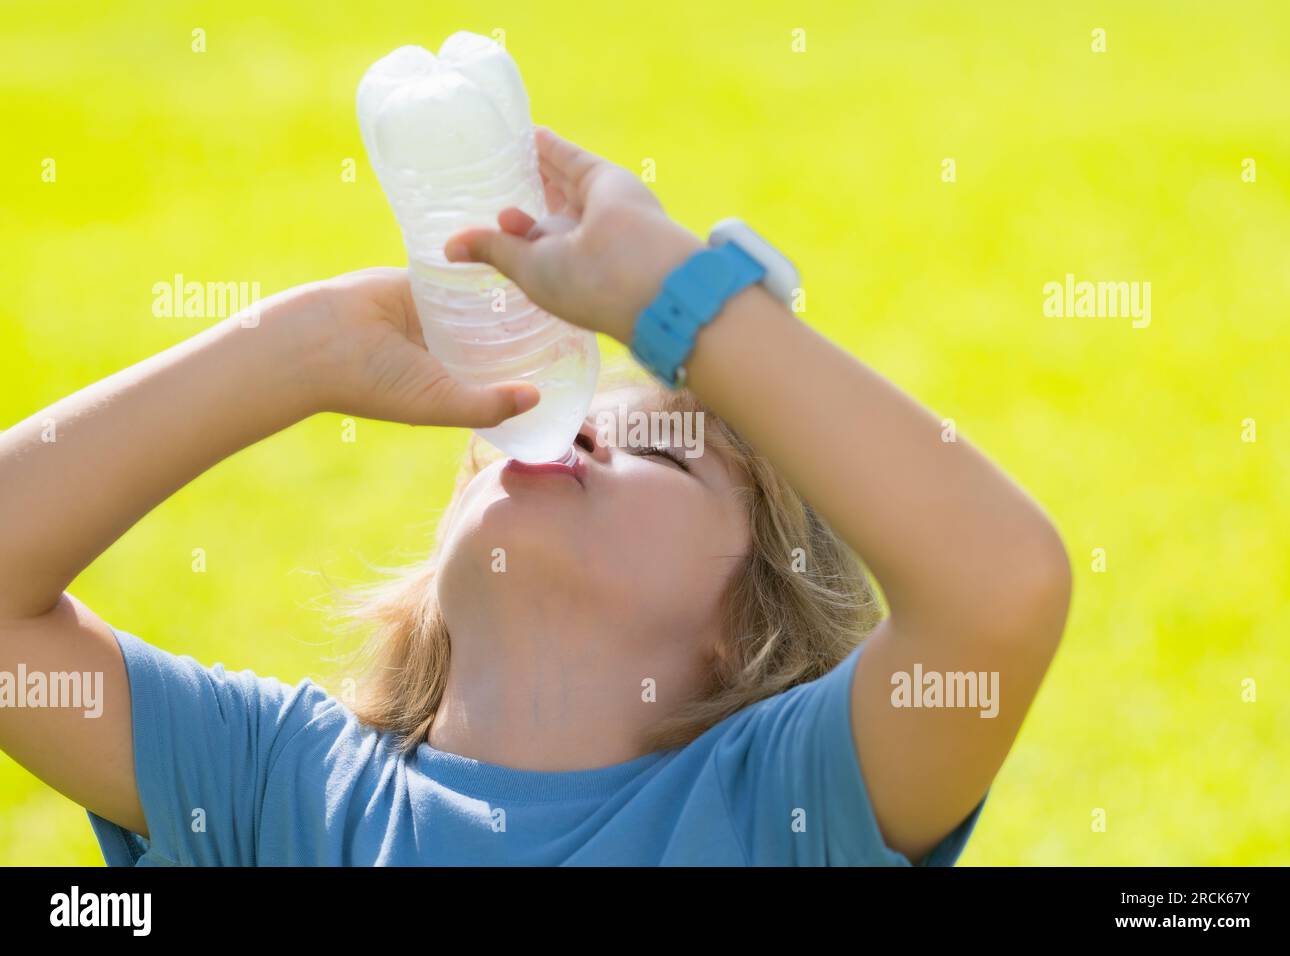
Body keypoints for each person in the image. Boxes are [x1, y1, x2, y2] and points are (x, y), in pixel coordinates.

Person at [0, 126, 1071, 866]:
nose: (583, 426)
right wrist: (295, 347)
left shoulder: (780, 800)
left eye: (662, 453)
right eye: (549, 415)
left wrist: (672, 294)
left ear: (754, 632)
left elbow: (998, 589)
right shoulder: (278, 781)